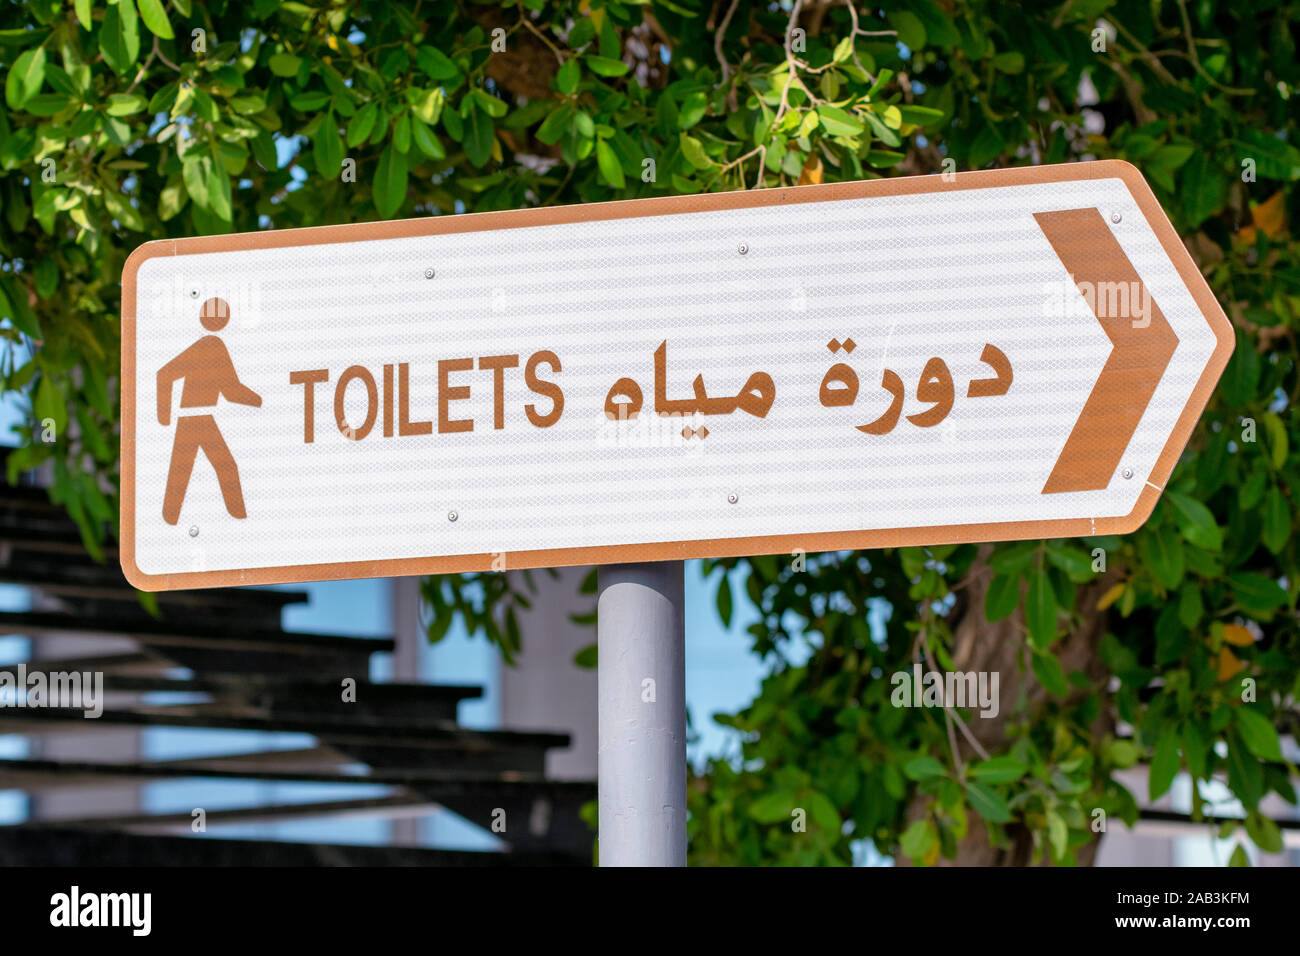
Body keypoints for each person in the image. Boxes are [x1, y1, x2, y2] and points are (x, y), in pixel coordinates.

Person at [156, 297, 262, 525]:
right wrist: (163, 417)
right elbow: (164, 374)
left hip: (199, 417)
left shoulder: (213, 345)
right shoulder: (209, 345)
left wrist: (259, 401)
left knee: (185, 472)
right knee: (219, 468)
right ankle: (240, 520)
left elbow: (230, 390)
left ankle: (171, 519)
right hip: (195, 418)